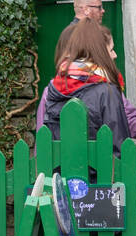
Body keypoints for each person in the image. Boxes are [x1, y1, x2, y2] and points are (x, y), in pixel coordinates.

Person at [40, 19, 131, 154]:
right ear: (99, 51)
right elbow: (119, 148)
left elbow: (45, 143)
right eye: (111, 49)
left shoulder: (53, 88)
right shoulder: (107, 92)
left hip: (61, 174)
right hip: (100, 174)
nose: (115, 55)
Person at [53, 0, 105, 69]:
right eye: (99, 7)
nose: (103, 11)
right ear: (86, 9)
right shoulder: (84, 33)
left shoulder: (67, 32)